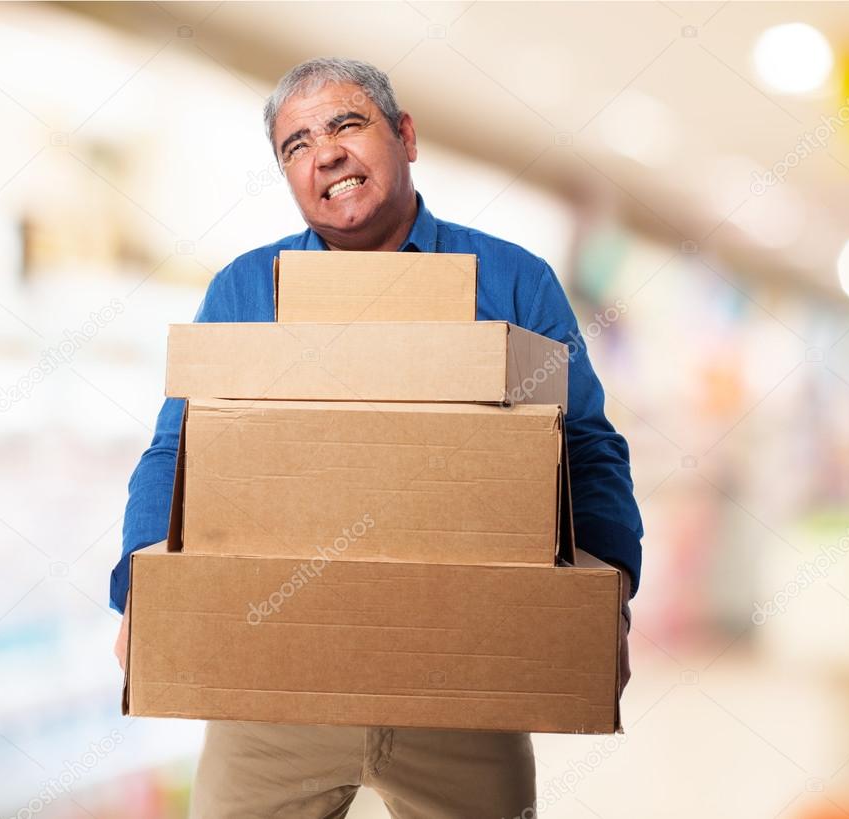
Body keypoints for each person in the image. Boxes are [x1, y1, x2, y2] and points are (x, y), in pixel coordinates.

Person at [111, 57, 643, 819]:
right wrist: (141, 587)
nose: (322, 153)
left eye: (345, 124)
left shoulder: (512, 280)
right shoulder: (245, 289)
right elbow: (178, 450)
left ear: (406, 136)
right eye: (294, 145)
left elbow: (586, 447)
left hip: (463, 683)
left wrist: (609, 593)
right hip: (272, 686)